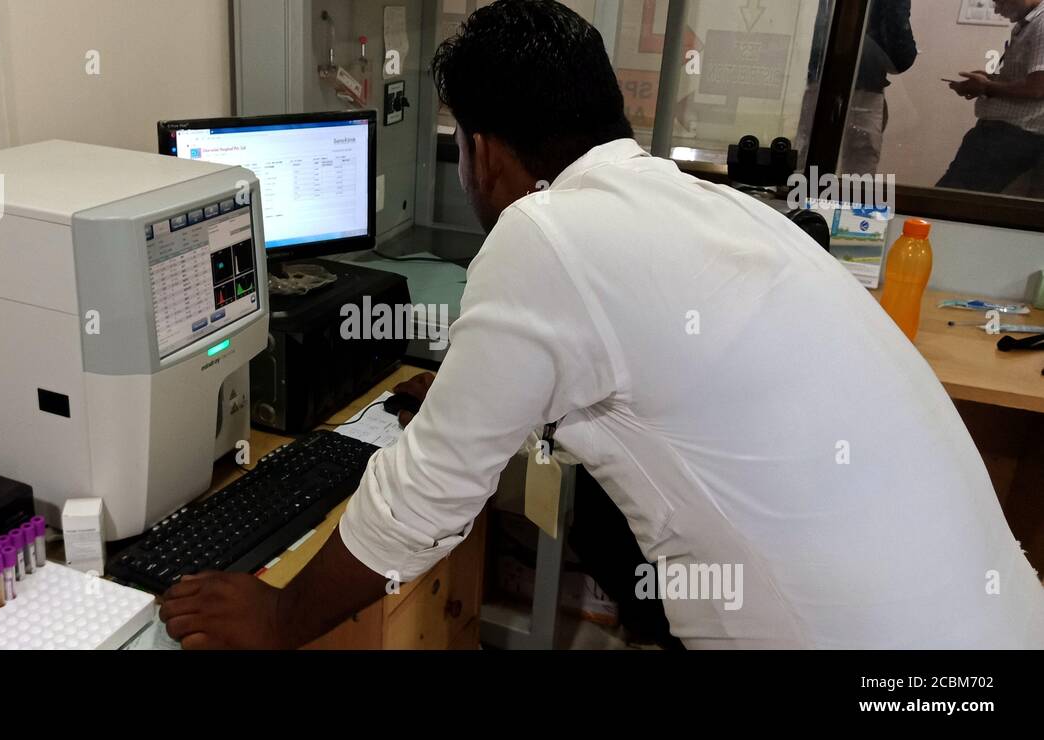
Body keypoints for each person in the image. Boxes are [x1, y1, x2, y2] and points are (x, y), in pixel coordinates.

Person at [159, 0, 1044, 649]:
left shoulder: (544, 231)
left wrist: (274, 615)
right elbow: (651, 376)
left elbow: (420, 503)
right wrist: (486, 395)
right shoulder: (712, 208)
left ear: (483, 151)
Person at [938, 0, 1044, 193]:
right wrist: (991, 81)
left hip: (1011, 135)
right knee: (954, 197)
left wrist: (987, 87)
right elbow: (1027, 79)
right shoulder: (1029, 23)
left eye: (999, 1)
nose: (996, 9)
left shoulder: (1042, 22)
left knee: (953, 200)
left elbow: (1038, 87)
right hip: (1004, 134)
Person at [841, 0, 918, 176]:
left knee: (810, 170)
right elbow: (901, 57)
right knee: (856, 179)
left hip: (819, 79)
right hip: (864, 89)